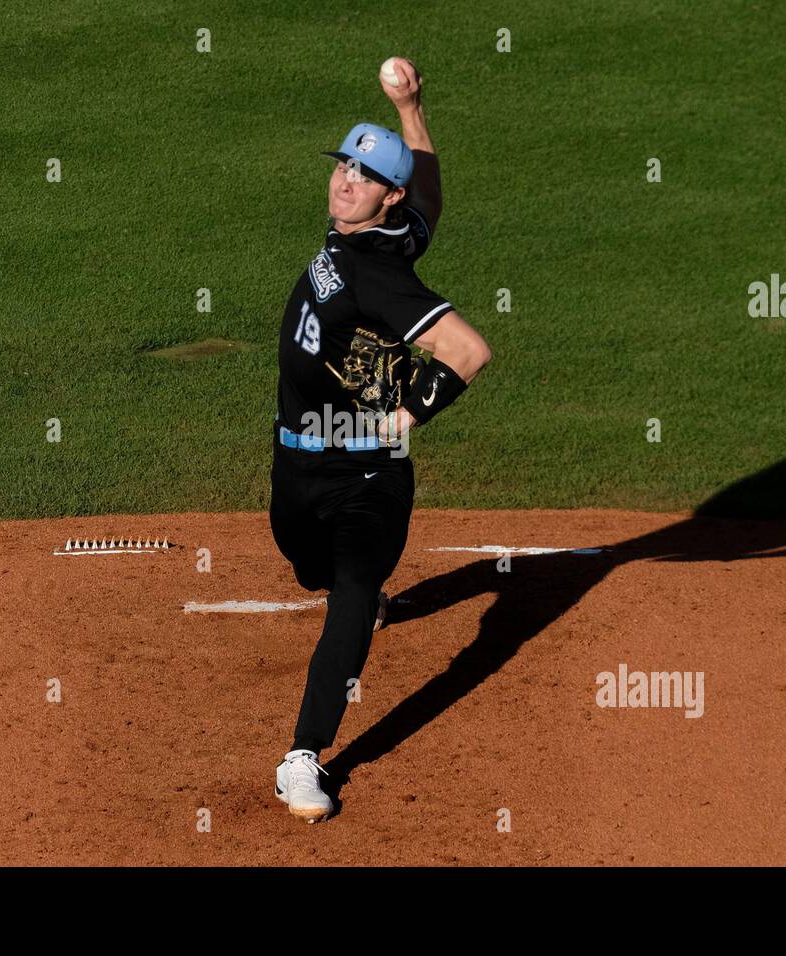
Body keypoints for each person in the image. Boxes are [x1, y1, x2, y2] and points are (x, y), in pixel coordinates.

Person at [269, 58, 493, 823]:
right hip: (296, 468)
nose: (343, 183)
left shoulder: (380, 274)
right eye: (342, 167)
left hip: (368, 477)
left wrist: (400, 425)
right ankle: (348, 595)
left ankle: (304, 755)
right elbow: (426, 192)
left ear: (381, 195)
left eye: (363, 177)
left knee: (353, 593)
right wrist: (410, 106)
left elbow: (469, 352)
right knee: (309, 570)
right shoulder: (387, 229)